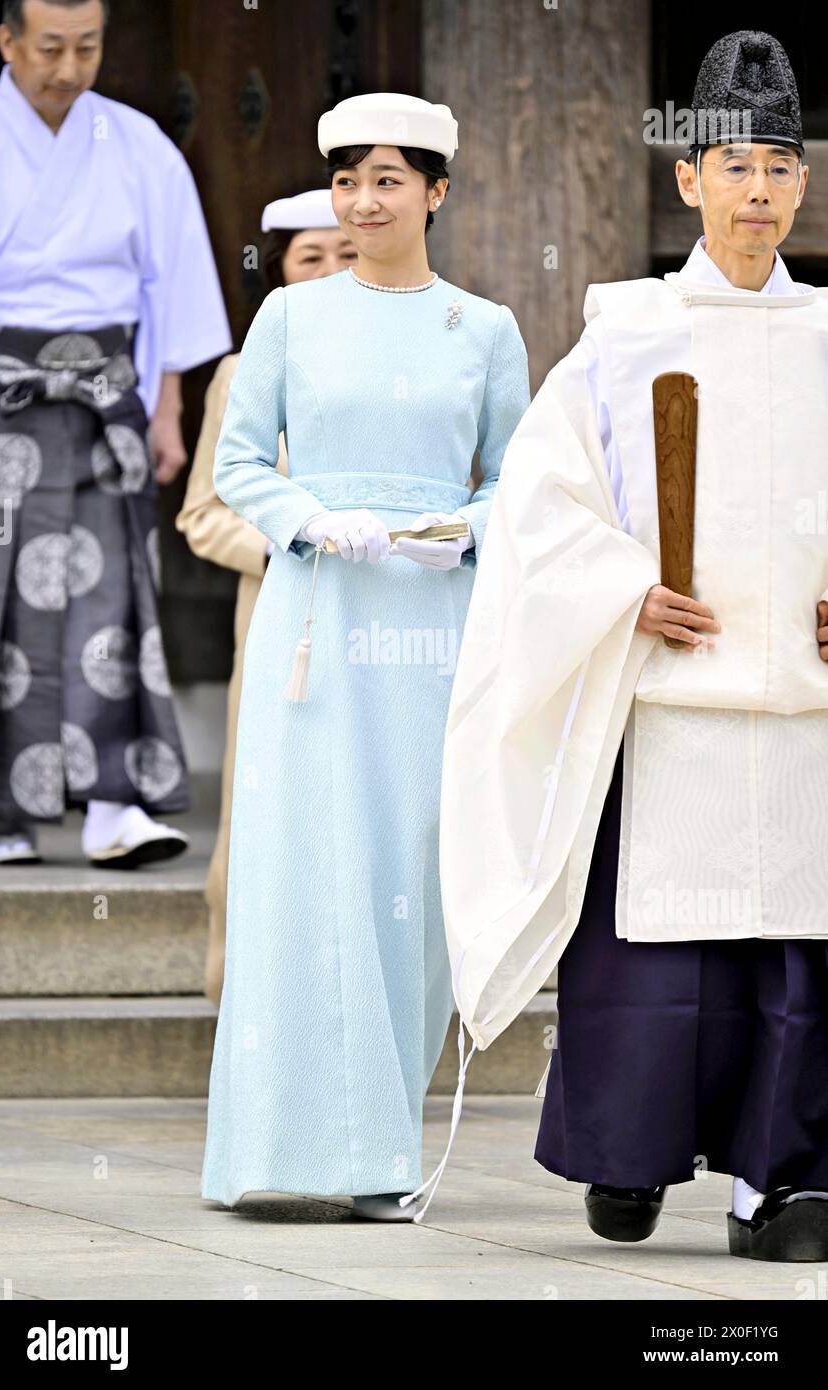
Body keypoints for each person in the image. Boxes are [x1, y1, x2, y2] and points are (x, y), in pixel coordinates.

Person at [436, 30, 828, 1261]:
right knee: (659, 949)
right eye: (732, 164)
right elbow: (538, 509)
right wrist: (624, 588)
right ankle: (631, 1159)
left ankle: (783, 1182)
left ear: (802, 182)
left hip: (806, 706)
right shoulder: (623, 334)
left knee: (794, 952)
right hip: (665, 701)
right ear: (686, 181)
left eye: (777, 163)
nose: (755, 188)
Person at [201, 92, 530, 1220]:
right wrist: (306, 516)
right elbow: (239, 463)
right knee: (302, 869)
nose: (362, 201)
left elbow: (517, 484)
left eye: (387, 179)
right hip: (315, 613)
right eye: (347, 180)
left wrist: (459, 533)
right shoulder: (289, 320)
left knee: (413, 870)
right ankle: (272, 1148)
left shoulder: (481, 329)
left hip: (431, 625)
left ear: (435, 192)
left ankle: (383, 1146)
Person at [0, 0, 231, 867]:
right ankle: (4, 814)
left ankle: (112, 805)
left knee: (108, 604)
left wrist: (169, 412)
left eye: (87, 47)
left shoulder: (136, 145)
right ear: (8, 42)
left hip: (106, 401)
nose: (68, 66)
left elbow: (174, 287)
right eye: (50, 47)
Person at [175, 188, 356, 1006]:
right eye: (308, 257)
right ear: (279, 272)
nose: (329, 269)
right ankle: (245, 1007)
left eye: (345, 253)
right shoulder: (244, 372)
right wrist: (295, 549)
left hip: (394, 621)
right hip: (283, 621)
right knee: (267, 817)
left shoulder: (427, 356)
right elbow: (204, 513)